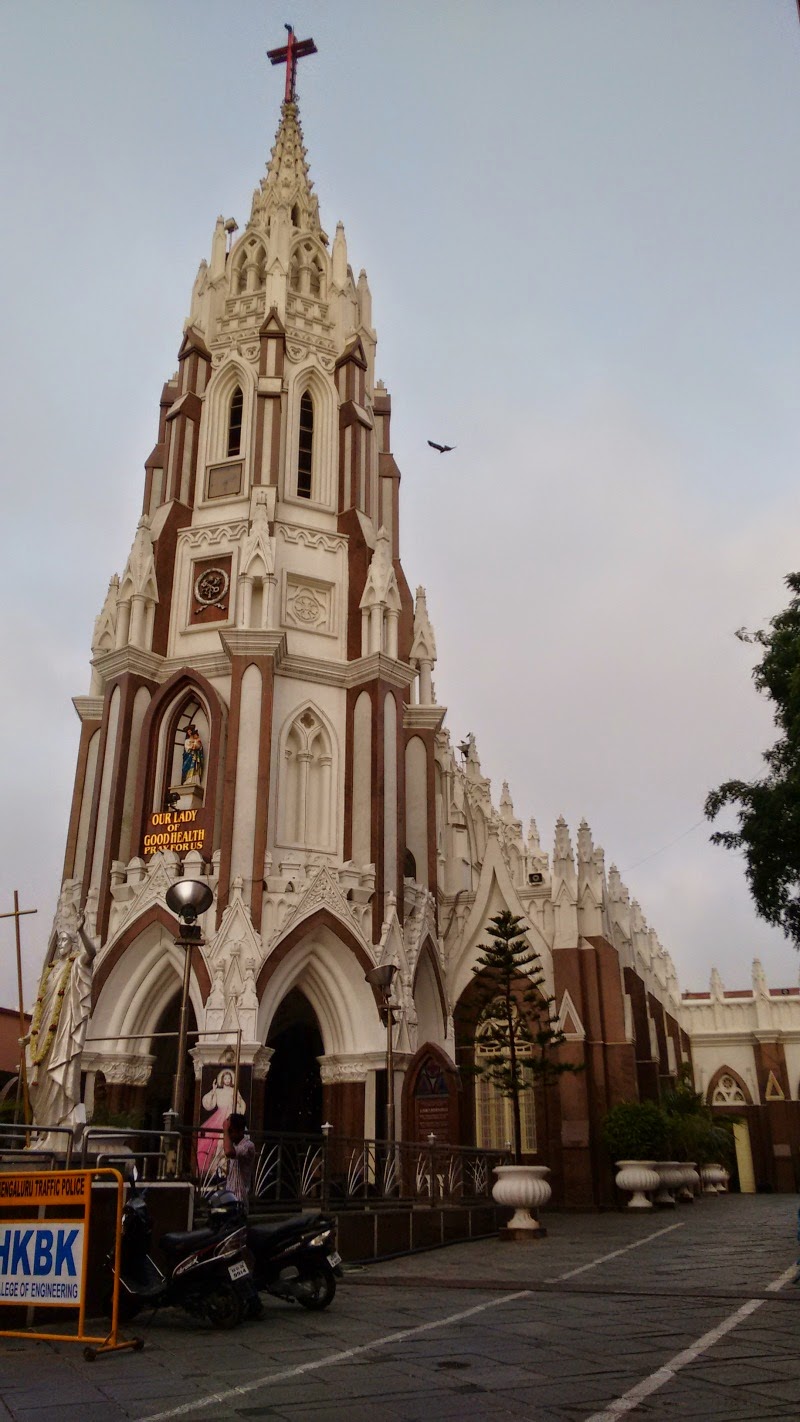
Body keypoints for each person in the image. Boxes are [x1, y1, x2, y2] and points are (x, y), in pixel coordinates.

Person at [27, 913, 96, 1149]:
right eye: (59, 942)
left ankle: (59, 1133)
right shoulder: (52, 971)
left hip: (64, 1034)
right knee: (39, 1084)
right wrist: (30, 1037)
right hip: (48, 1037)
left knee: (62, 1080)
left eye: (65, 941)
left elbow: (91, 954)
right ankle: (46, 1134)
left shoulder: (75, 964)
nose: (61, 945)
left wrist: (82, 931)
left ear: (73, 944)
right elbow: (42, 1011)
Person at [197, 1068, 246, 1174]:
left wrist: (237, 1102)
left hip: (231, 1116)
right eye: (225, 1078)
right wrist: (213, 1091)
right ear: (222, 1079)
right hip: (219, 1117)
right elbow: (209, 1104)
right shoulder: (218, 1091)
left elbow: (240, 1105)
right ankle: (216, 1168)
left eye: (229, 1078)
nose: (227, 1080)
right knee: (217, 1142)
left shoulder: (234, 1091)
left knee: (230, 1141)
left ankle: (228, 1168)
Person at [223, 1112, 255, 1211]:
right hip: (230, 1196)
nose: (229, 1135)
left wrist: (225, 1130)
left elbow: (229, 1152)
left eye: (231, 1131)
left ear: (240, 1131)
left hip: (239, 1200)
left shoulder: (248, 1146)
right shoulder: (236, 1145)